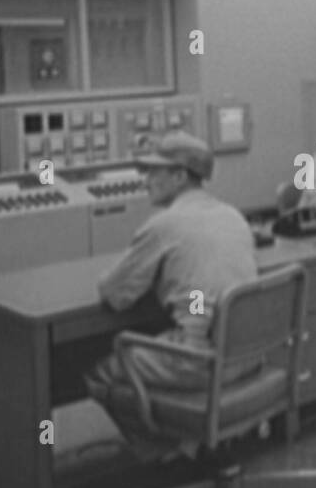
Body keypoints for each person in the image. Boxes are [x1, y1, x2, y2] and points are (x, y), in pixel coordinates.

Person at [85, 132, 258, 445]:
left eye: (154, 172)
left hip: (199, 363)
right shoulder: (233, 216)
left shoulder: (166, 225)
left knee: (98, 368)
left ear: (179, 176)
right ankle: (188, 451)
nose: (146, 180)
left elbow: (115, 294)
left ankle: (160, 455)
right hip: (249, 354)